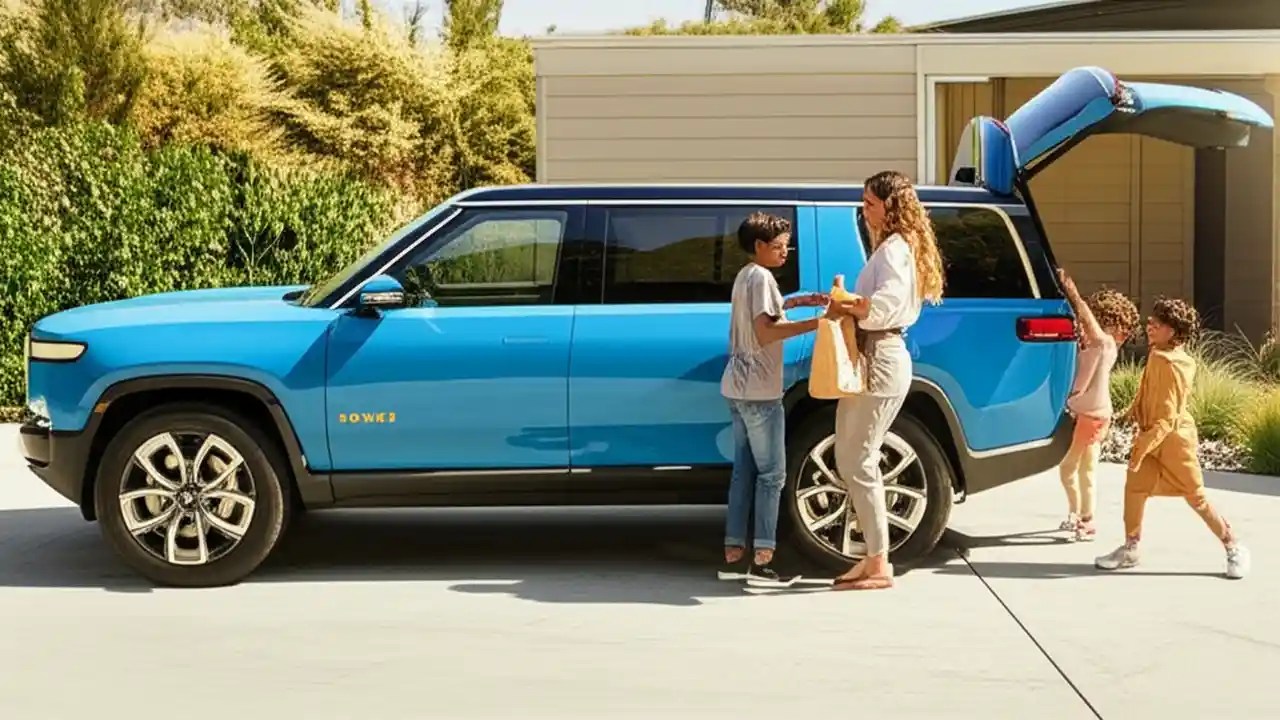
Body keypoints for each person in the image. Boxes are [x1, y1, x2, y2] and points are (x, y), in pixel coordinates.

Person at [825, 170, 945, 591]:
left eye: (871, 203)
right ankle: (872, 556)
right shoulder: (896, 247)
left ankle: (878, 561)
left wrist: (845, 302)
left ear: (890, 206)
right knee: (852, 456)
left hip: (879, 356)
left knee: (858, 458)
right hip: (878, 355)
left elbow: (883, 308)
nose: (865, 209)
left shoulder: (894, 249)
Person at [1095, 297, 1250, 579]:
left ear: (1175, 332)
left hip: (1174, 442)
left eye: (1160, 323)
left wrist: (1140, 450)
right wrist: (1133, 411)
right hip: (1153, 436)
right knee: (1135, 489)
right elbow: (1148, 390)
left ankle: (1233, 546)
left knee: (1196, 497)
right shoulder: (1158, 354)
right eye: (1152, 319)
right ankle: (1131, 547)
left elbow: (1167, 417)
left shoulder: (1172, 364)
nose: (1150, 324)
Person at [718, 211, 828, 588]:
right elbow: (766, 332)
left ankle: (734, 553)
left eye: (787, 246)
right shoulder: (763, 278)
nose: (786, 252)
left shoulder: (746, 276)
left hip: (736, 389)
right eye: (779, 246)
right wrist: (820, 322)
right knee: (773, 476)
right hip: (761, 394)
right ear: (760, 247)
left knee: (743, 472)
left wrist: (797, 301)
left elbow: (759, 316)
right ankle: (764, 559)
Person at [1055, 270, 1139, 542]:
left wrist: (1071, 290)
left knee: (1076, 469)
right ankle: (1077, 515)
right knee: (1079, 469)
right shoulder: (1098, 347)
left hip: (1091, 418)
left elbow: (1088, 323)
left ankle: (1085, 520)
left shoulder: (1103, 345)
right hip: (1090, 416)